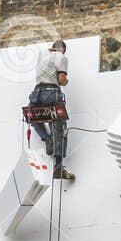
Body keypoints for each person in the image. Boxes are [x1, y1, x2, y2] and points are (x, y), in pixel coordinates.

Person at [27, 38, 74, 181]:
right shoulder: (62, 57)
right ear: (62, 49)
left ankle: (46, 139)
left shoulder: (43, 58)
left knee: (33, 116)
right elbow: (61, 80)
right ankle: (58, 168)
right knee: (59, 127)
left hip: (36, 94)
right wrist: (66, 80)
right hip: (51, 93)